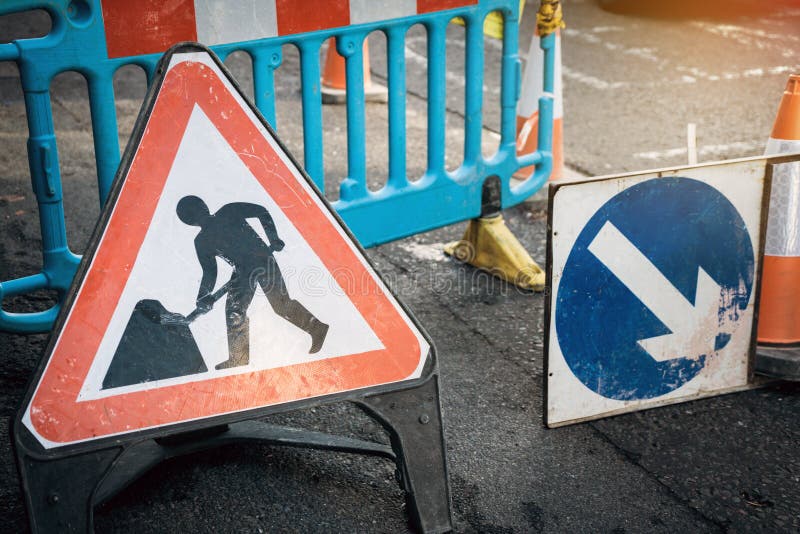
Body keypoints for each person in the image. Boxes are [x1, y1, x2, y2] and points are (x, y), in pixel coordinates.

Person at [176, 195, 329, 370]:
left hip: (262, 259)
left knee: (280, 305)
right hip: (242, 272)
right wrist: (203, 297)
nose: (198, 214)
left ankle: (317, 328)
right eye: (192, 213)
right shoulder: (202, 240)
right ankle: (239, 357)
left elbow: (261, 211)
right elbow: (210, 272)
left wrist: (273, 238)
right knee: (235, 311)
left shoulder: (228, 211)